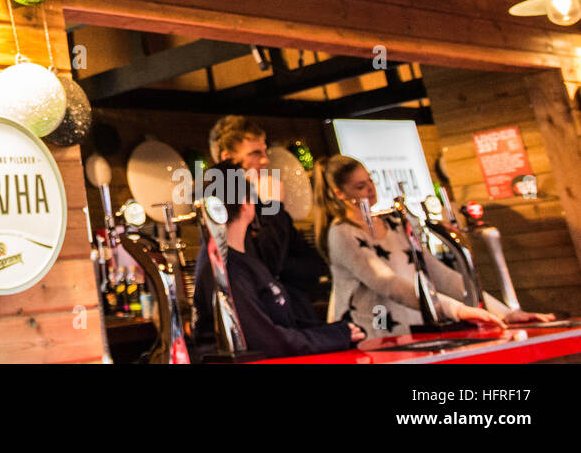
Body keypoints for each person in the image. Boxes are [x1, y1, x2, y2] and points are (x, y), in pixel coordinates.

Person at [312, 154, 555, 336]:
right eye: (359, 186)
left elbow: (439, 274)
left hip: (410, 328)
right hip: (370, 333)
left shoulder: (395, 223)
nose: (370, 189)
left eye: (370, 181)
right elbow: (389, 284)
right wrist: (456, 310)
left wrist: (505, 312)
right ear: (339, 193)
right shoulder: (342, 233)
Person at [194, 160, 362, 359]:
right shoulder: (223, 265)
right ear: (247, 205)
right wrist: (334, 335)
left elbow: (283, 324)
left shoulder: (240, 259)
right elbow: (266, 341)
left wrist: (336, 331)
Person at [210, 115, 326, 323]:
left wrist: (280, 272)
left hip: (296, 317)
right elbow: (263, 270)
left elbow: (314, 266)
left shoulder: (264, 203)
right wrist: (275, 208)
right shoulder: (221, 210)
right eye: (255, 153)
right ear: (227, 157)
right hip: (263, 324)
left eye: (264, 151)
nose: (265, 160)